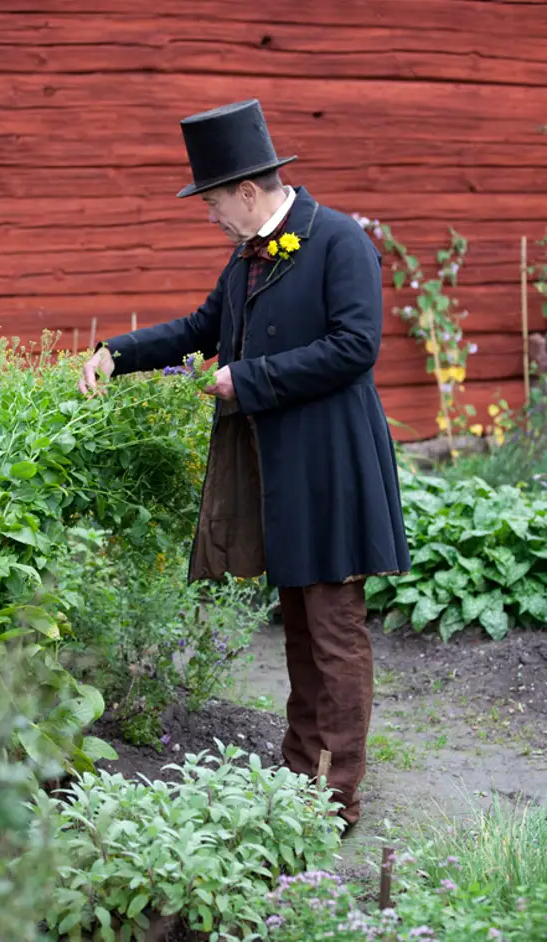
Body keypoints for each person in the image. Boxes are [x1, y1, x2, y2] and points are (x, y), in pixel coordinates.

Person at [80, 99, 410, 826]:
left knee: (333, 631)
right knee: (298, 623)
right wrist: (118, 353)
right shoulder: (248, 257)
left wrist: (247, 379)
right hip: (280, 474)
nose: (210, 217)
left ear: (249, 192)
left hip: (334, 469)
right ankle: (300, 773)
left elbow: (357, 348)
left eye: (213, 203)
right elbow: (203, 328)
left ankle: (336, 797)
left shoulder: (340, 243)